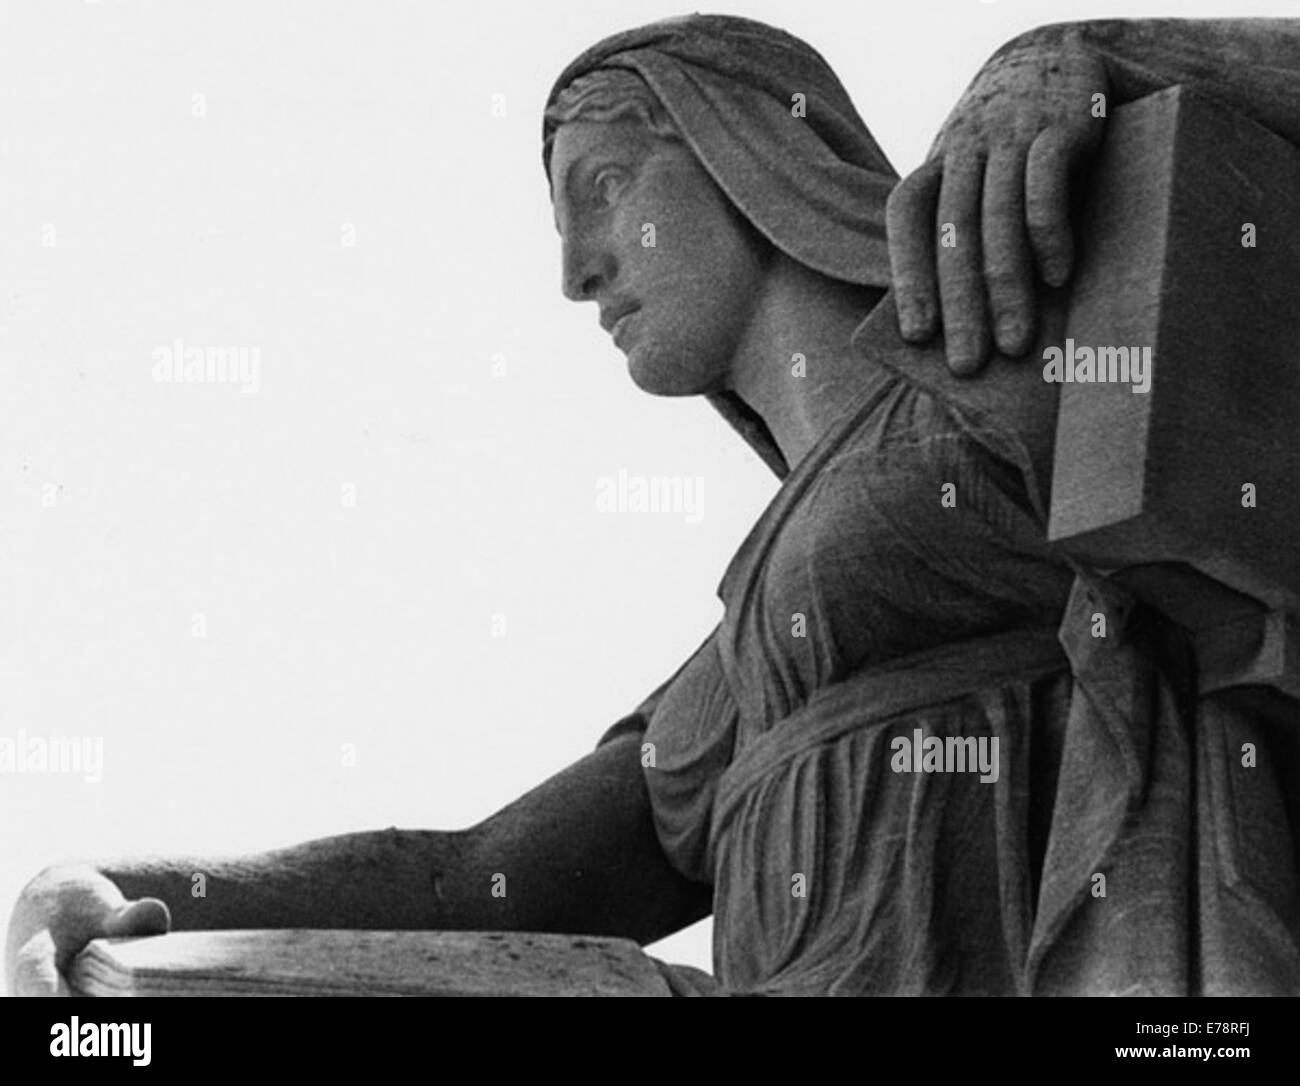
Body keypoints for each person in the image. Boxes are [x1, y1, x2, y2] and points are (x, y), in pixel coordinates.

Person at [8, 14, 1300, 997]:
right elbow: (480, 877)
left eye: (605, 188)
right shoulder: (752, 642)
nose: (576, 273)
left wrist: (1085, 52)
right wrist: (129, 887)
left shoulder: (1002, 358)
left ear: (757, 150)